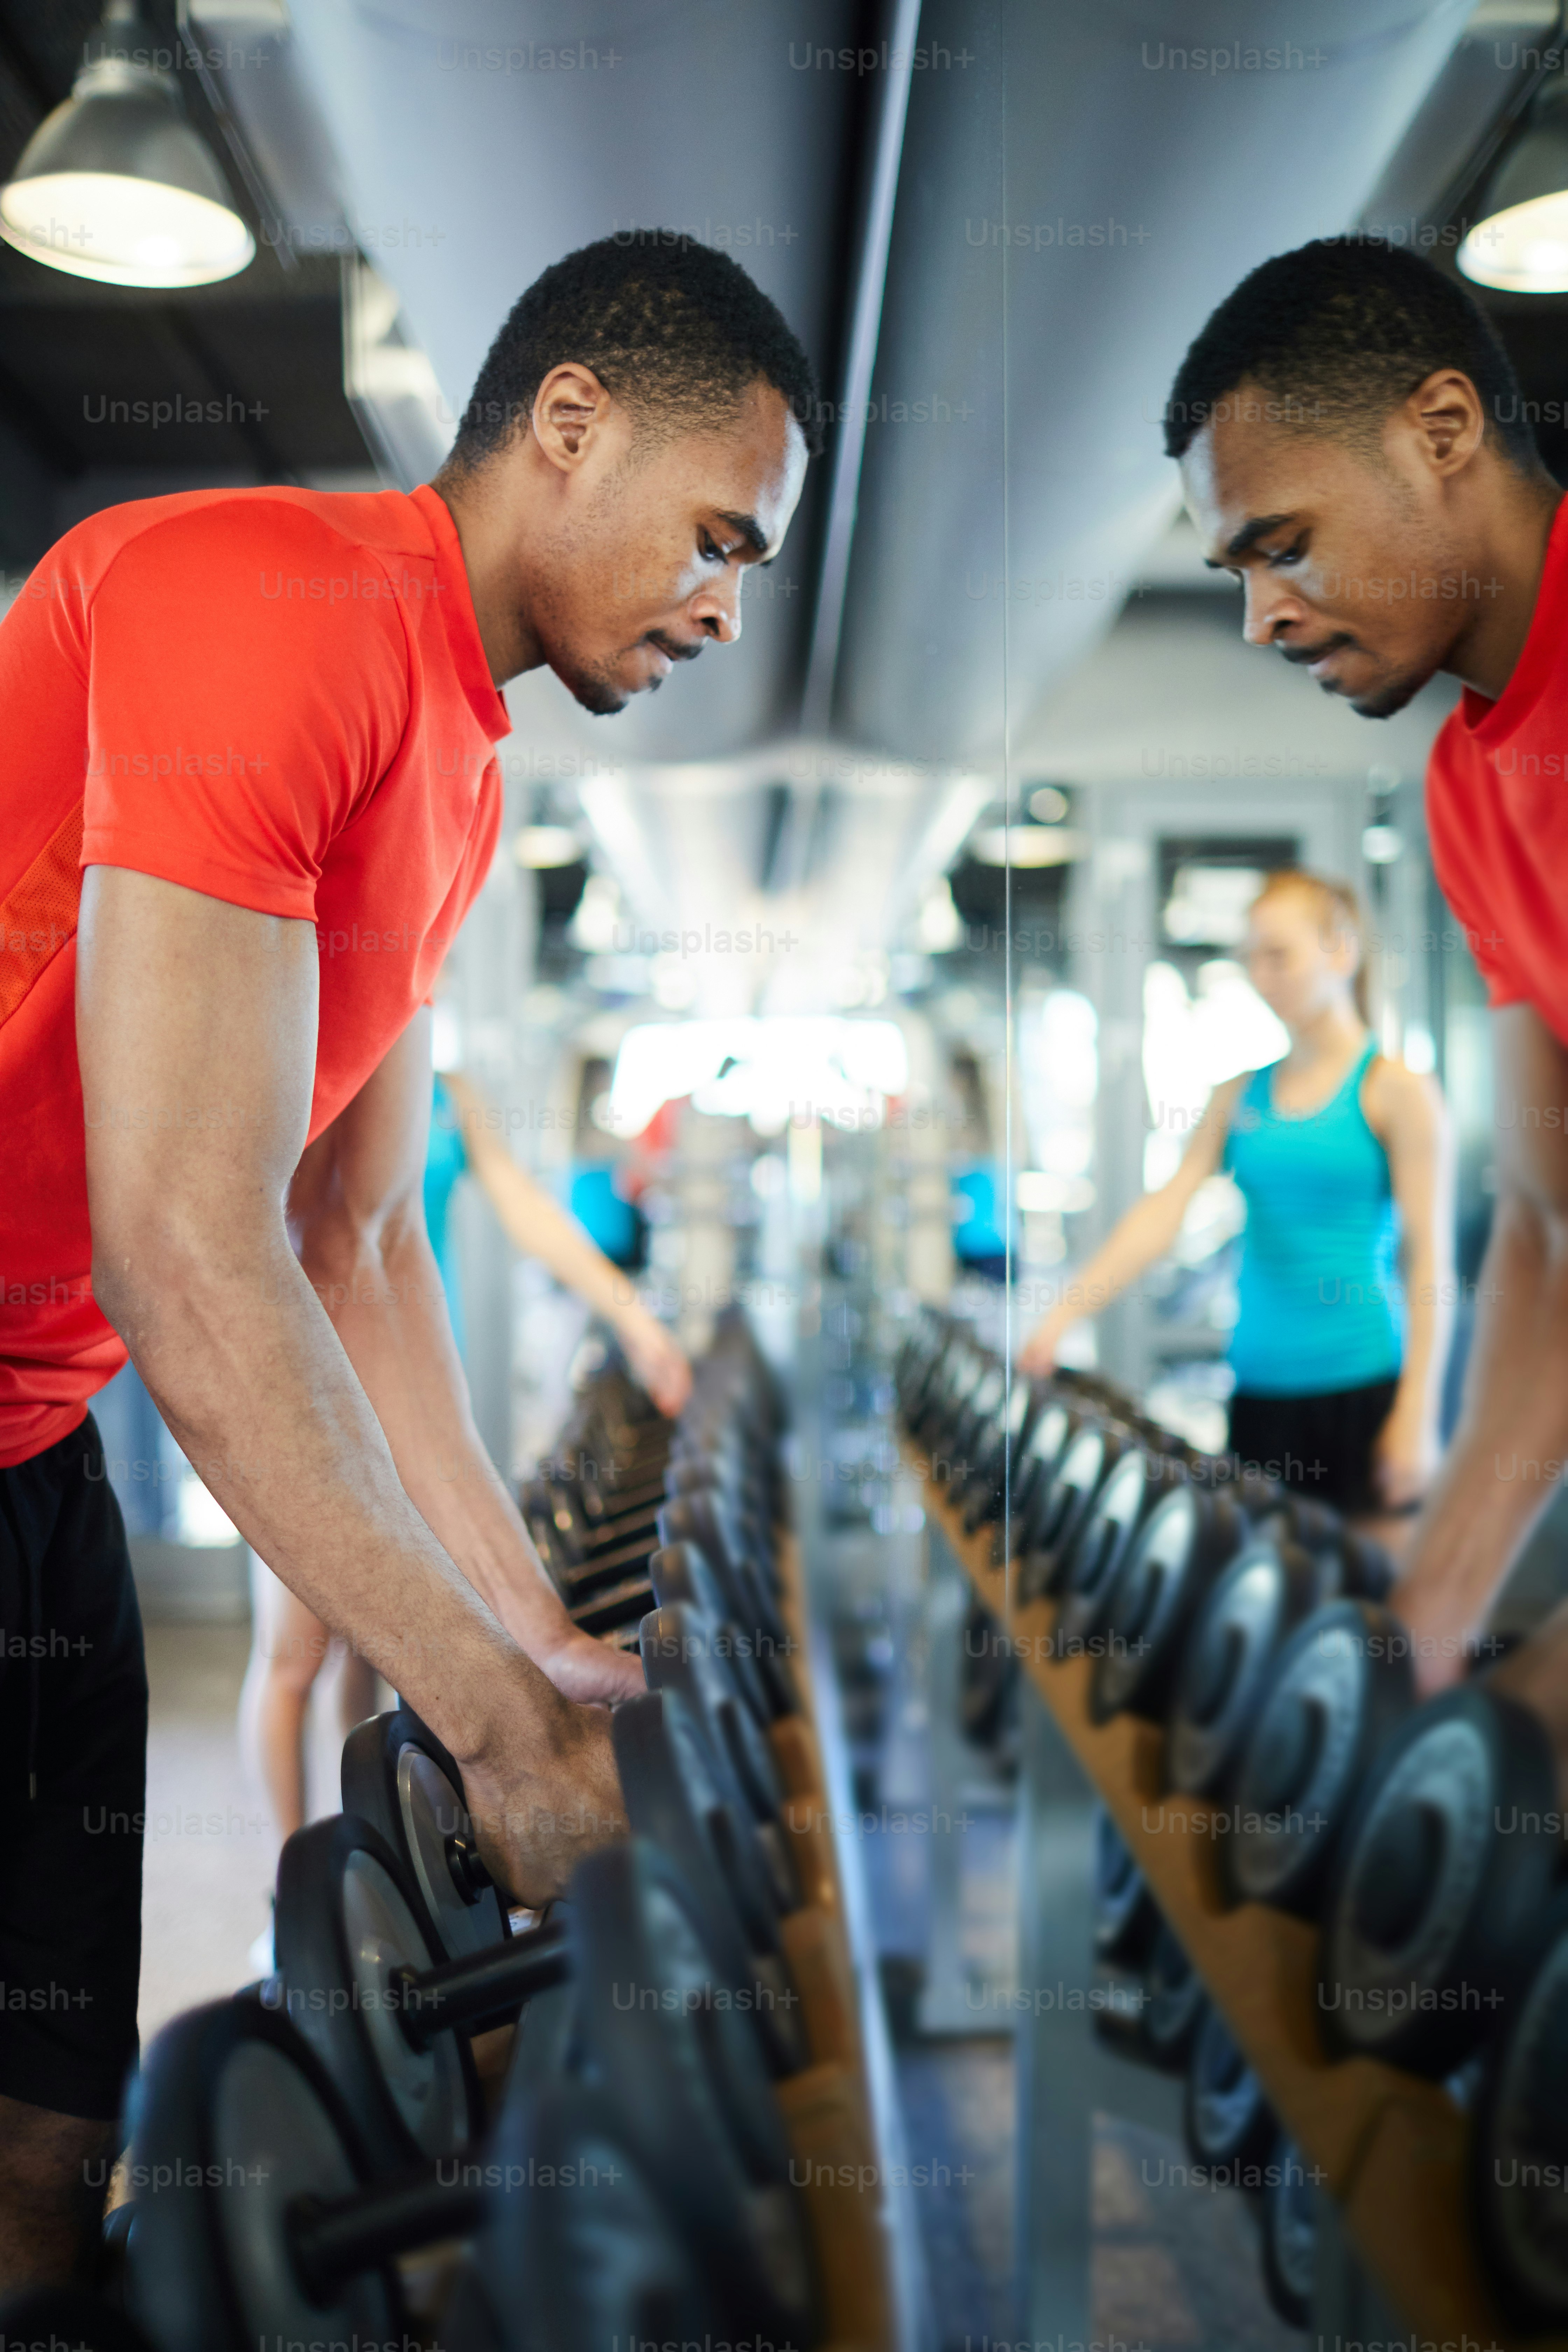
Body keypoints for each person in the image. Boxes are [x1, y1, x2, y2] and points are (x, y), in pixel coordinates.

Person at [0, 231, 814, 2286]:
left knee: (51, 2135)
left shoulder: (459, 770)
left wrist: (538, 1647)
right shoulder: (258, 602)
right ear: (570, 425)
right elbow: (185, 1248)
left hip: (38, 1451)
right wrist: (496, 1736)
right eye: (718, 536)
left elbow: (356, 1242)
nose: (728, 606)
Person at [1164, 232, 1568, 1707]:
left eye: (1284, 544)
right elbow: (1545, 1229)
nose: (1262, 617)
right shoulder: (1469, 784)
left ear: (1441, 430)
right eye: (1235, 571)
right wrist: (1429, 1625)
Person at [240, 1065, 692, 1902]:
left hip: (407, 1384)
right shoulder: (304, 1053)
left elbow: (523, 1206)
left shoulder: (442, 1088)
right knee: (295, 1656)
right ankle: (291, 1897)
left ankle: (365, 1856)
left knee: (374, 1646)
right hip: (303, 1387)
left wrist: (633, 1319)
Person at [1020, 872, 1451, 1518]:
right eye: (1252, 958)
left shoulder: (1396, 1089)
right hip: (1257, 1391)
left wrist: (1419, 1413)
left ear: (1341, 950)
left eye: (1279, 955)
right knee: (1262, 1580)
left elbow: (1432, 1263)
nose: (1262, 976)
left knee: (1371, 1585)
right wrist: (1061, 1317)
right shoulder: (1240, 1094)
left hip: (1363, 1386)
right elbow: (1164, 1213)